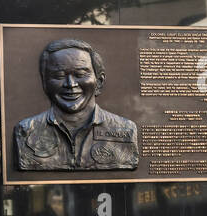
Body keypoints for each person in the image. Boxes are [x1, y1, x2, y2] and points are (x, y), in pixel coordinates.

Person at [13, 38, 139, 172]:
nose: (71, 84)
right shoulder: (26, 130)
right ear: (45, 83)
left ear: (99, 82)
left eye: (80, 74)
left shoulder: (125, 130)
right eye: (59, 75)